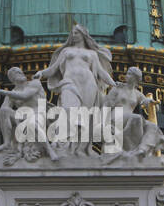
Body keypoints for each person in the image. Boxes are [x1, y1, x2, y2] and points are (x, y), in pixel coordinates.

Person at [35, 24, 115, 155]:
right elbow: (53, 69)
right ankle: (63, 144)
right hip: (69, 83)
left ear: (83, 35)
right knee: (67, 110)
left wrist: (113, 83)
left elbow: (101, 72)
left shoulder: (92, 53)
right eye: (72, 33)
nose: (73, 35)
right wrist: (41, 73)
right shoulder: (66, 52)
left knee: (85, 116)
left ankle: (78, 149)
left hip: (89, 84)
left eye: (76, 33)